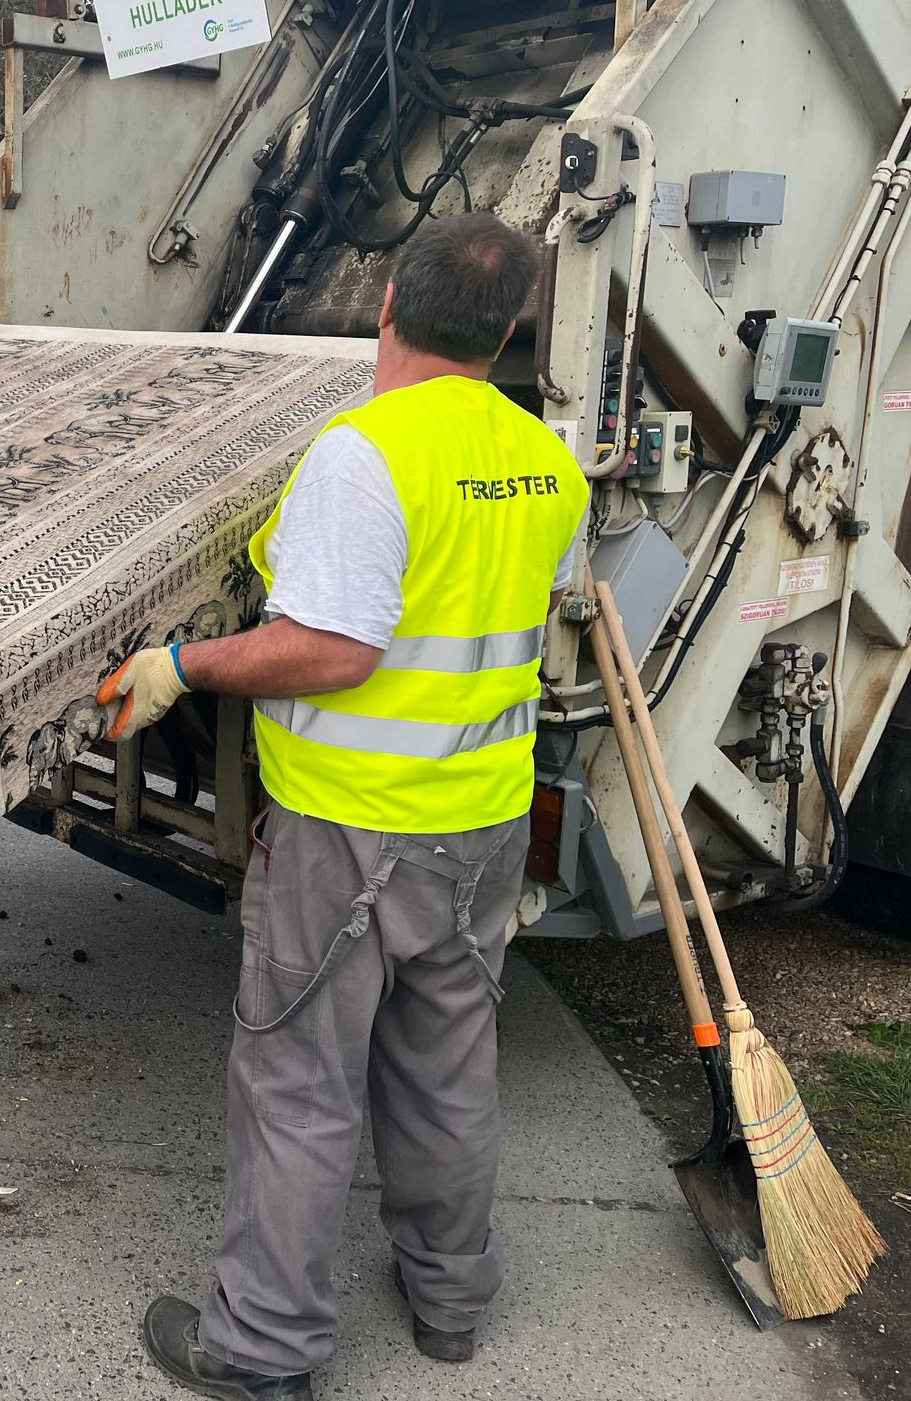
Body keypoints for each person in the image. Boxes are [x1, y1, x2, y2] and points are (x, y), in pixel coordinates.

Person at [97, 213, 588, 1398]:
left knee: (300, 1083)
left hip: (350, 832)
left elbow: (328, 650)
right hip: (477, 826)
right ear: (508, 330)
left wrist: (185, 664)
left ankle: (260, 1349)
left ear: (382, 306)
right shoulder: (546, 462)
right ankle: (449, 1301)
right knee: (445, 1067)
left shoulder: (359, 456)